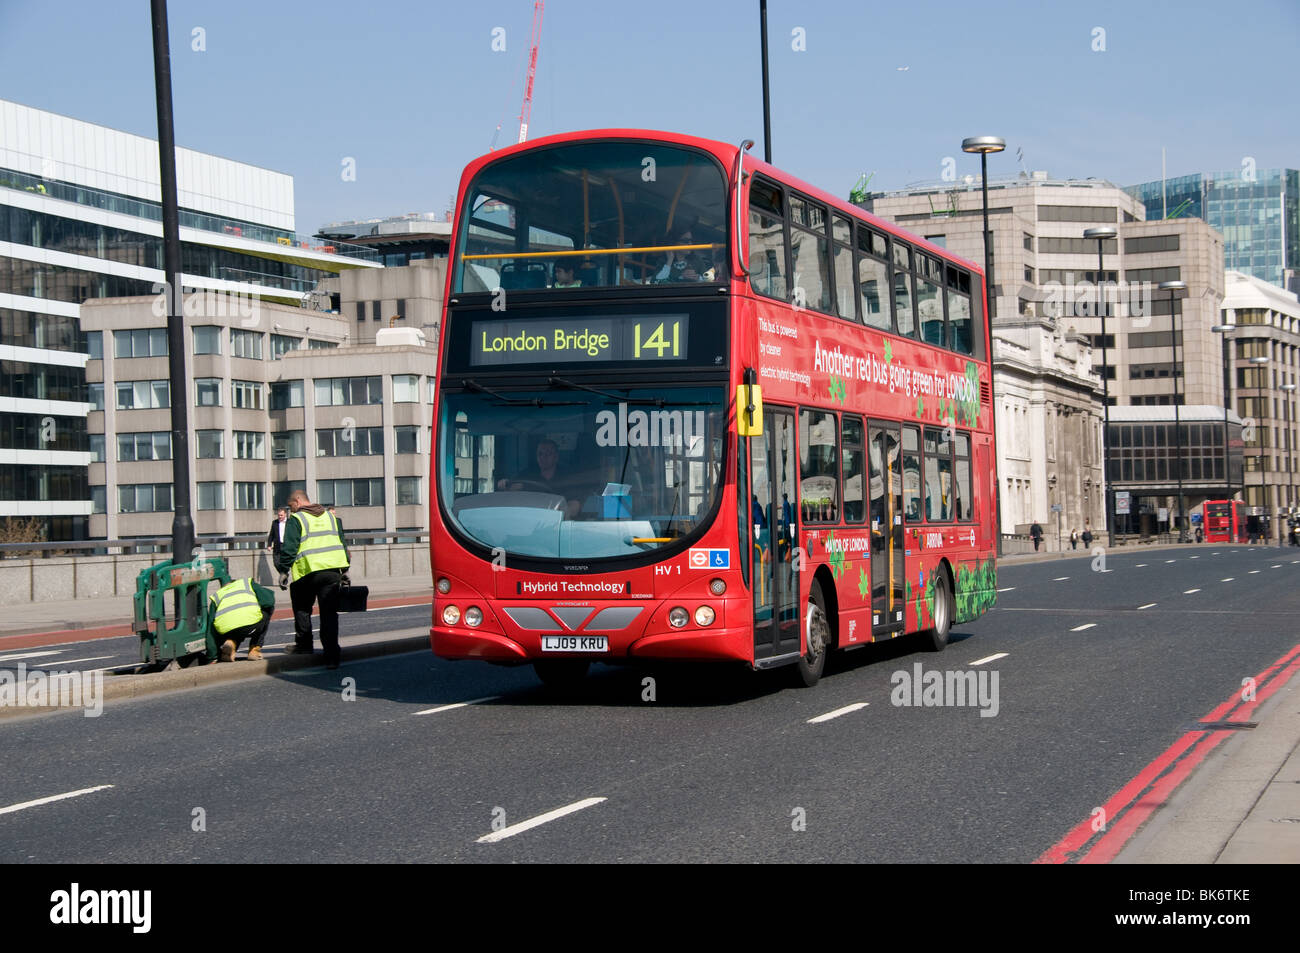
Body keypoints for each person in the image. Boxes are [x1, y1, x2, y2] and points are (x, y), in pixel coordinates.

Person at [276, 489, 351, 669]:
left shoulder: (297, 519)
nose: (291, 510)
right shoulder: (331, 517)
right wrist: (345, 568)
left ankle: (304, 645)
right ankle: (332, 656)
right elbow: (342, 543)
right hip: (332, 572)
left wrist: (284, 570)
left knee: (302, 607)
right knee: (329, 615)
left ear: (298, 501)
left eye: (292, 506)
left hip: (308, 572)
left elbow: (290, 547)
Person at [207, 577, 275, 662]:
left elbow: (210, 629)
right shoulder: (247, 583)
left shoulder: (217, 595)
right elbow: (268, 601)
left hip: (226, 632)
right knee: (268, 609)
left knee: (235, 626)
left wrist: (212, 657)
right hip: (250, 627)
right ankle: (254, 649)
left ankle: (231, 642)